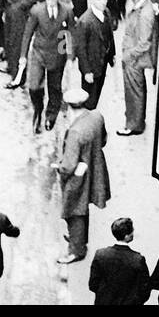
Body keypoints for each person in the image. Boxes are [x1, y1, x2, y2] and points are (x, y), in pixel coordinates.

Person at [56, 85, 110, 263]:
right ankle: (79, 240)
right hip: (95, 167)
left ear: (69, 107)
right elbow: (103, 139)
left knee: (74, 210)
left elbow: (68, 165)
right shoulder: (96, 116)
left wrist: (59, 168)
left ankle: (76, 249)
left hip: (78, 177)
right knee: (83, 207)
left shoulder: (75, 132)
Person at [13, 0, 73, 132]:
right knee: (34, 87)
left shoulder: (66, 11)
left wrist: (70, 56)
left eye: (53, 0)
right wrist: (23, 56)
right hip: (39, 53)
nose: (50, 2)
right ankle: (38, 111)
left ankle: (50, 116)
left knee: (55, 89)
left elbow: (70, 34)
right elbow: (27, 34)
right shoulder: (36, 11)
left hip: (57, 55)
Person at [119, 0, 158, 135]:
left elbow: (144, 44)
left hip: (135, 59)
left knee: (133, 92)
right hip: (133, 55)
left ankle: (133, 125)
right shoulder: (143, 5)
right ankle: (137, 122)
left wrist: (128, 55)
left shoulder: (145, 14)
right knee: (137, 90)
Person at [88, 217, 151, 305]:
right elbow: (145, 289)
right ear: (127, 236)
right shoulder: (138, 259)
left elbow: (93, 284)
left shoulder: (100, 254)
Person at [72, 0, 116, 108]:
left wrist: (112, 54)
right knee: (89, 99)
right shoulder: (85, 21)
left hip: (102, 63)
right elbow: (80, 49)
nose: (103, 2)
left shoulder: (106, 12)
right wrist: (86, 71)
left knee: (97, 94)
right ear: (93, 0)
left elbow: (109, 35)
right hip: (91, 67)